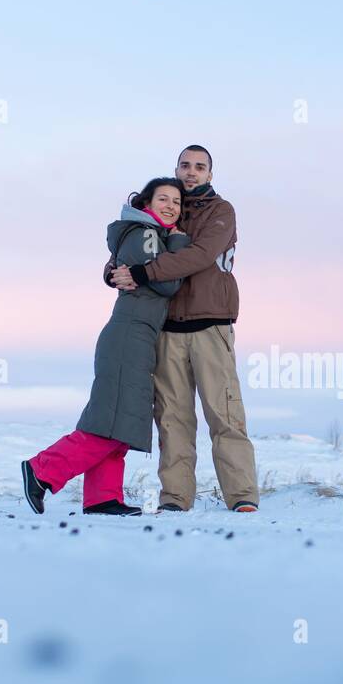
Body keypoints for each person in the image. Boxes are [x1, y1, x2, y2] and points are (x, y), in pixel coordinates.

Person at [21, 178, 189, 516]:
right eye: (163, 199)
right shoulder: (146, 235)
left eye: (176, 202)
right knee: (111, 420)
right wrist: (180, 243)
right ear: (146, 203)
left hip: (136, 335)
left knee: (117, 420)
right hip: (129, 335)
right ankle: (43, 470)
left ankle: (102, 498)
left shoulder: (150, 235)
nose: (171, 206)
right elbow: (169, 283)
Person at [108, 145, 260, 513]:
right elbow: (127, 249)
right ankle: (175, 498)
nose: (191, 172)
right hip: (167, 327)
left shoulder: (221, 211)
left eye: (200, 167)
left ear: (210, 173)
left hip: (212, 324)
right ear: (176, 168)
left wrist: (144, 273)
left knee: (224, 414)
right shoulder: (162, 209)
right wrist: (114, 272)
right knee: (173, 419)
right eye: (185, 165)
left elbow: (199, 256)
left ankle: (241, 495)